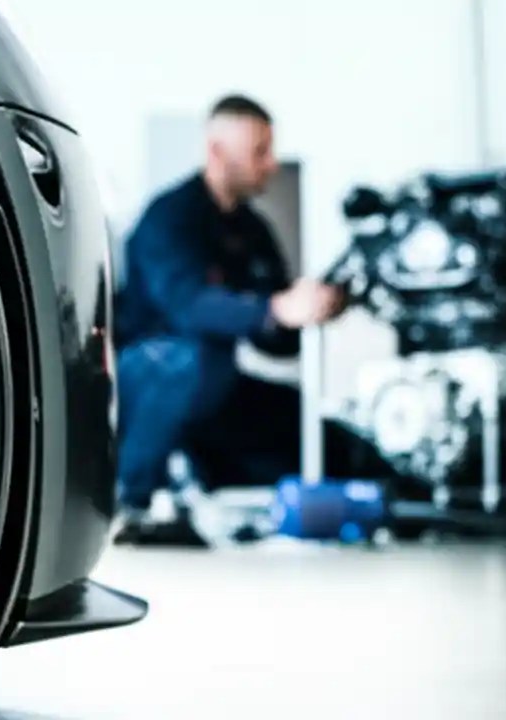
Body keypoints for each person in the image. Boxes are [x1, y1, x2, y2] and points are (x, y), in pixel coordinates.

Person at [111, 94, 346, 545]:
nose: (271, 164)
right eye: (260, 152)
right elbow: (188, 306)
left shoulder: (253, 231)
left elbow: (275, 340)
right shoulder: (169, 217)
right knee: (191, 359)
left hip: (212, 381)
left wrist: (310, 310)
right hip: (143, 377)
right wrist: (274, 309)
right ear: (217, 151)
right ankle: (130, 501)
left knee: (298, 418)